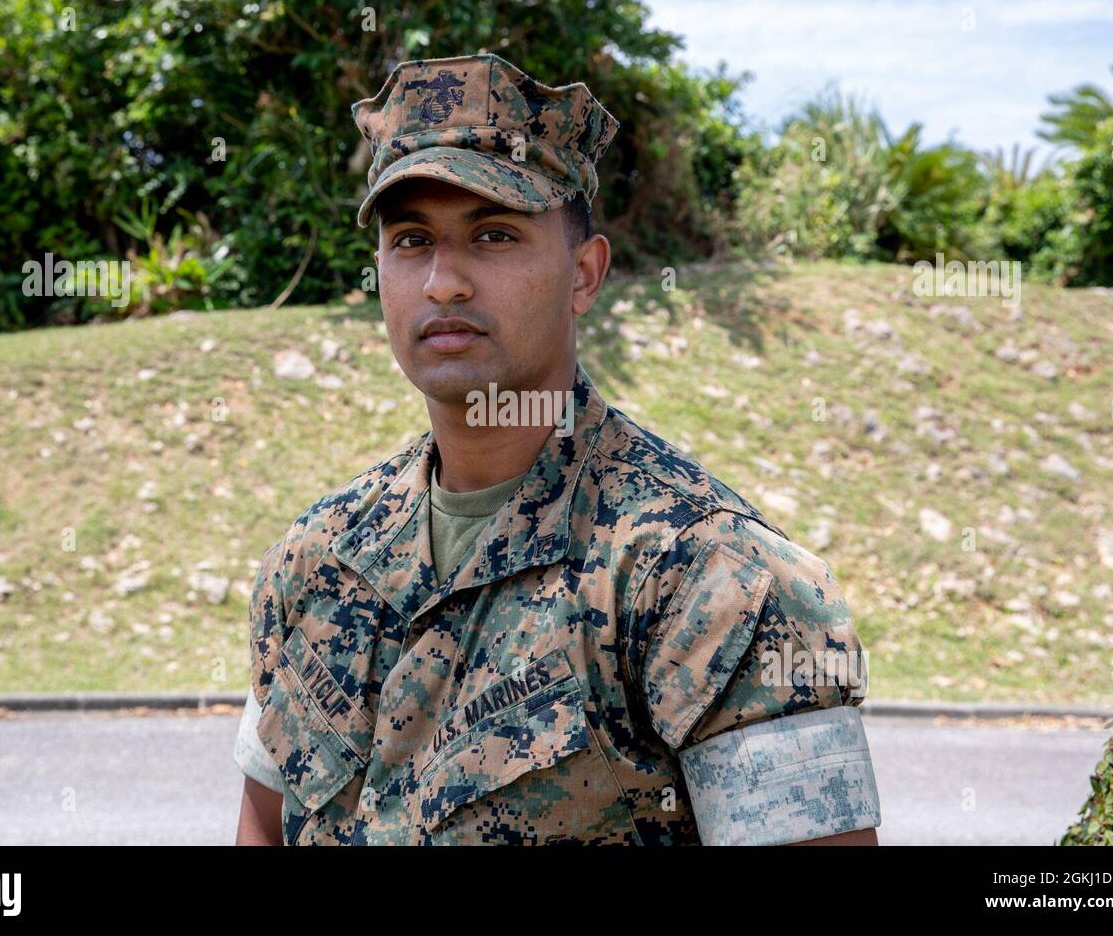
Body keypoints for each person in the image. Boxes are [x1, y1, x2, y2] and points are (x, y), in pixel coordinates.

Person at [233, 53, 881, 845]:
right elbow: (262, 829)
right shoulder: (314, 561)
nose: (443, 282)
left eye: (494, 235)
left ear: (584, 274)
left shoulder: (710, 580)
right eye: (411, 240)